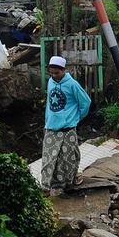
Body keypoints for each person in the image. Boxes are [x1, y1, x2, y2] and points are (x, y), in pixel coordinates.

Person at [41, 55, 91, 195]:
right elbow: (49, 104)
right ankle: (46, 185)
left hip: (68, 127)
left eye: (57, 73)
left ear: (64, 70)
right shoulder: (51, 81)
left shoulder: (72, 84)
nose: (54, 76)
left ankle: (66, 182)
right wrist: (46, 122)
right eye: (51, 73)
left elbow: (85, 102)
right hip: (51, 126)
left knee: (68, 156)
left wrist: (77, 118)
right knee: (49, 157)